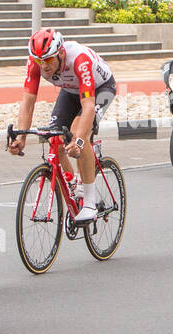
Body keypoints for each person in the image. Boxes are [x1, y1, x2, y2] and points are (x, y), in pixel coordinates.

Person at [7, 29, 117, 224]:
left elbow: (89, 106)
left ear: (61, 53)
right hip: (70, 90)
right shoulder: (36, 62)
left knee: (76, 135)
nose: (44, 66)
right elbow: (28, 102)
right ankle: (74, 184)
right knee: (54, 138)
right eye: (40, 62)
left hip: (100, 89)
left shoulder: (79, 60)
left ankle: (90, 204)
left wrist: (80, 141)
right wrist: (21, 138)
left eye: (49, 60)